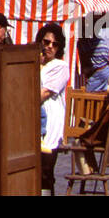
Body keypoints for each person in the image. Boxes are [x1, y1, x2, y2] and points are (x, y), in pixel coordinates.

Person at [38, 22, 69, 196]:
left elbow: (44, 93)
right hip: (33, 126)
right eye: (46, 42)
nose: (49, 46)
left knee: (46, 172)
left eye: (54, 44)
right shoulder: (37, 63)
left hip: (50, 127)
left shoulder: (60, 66)